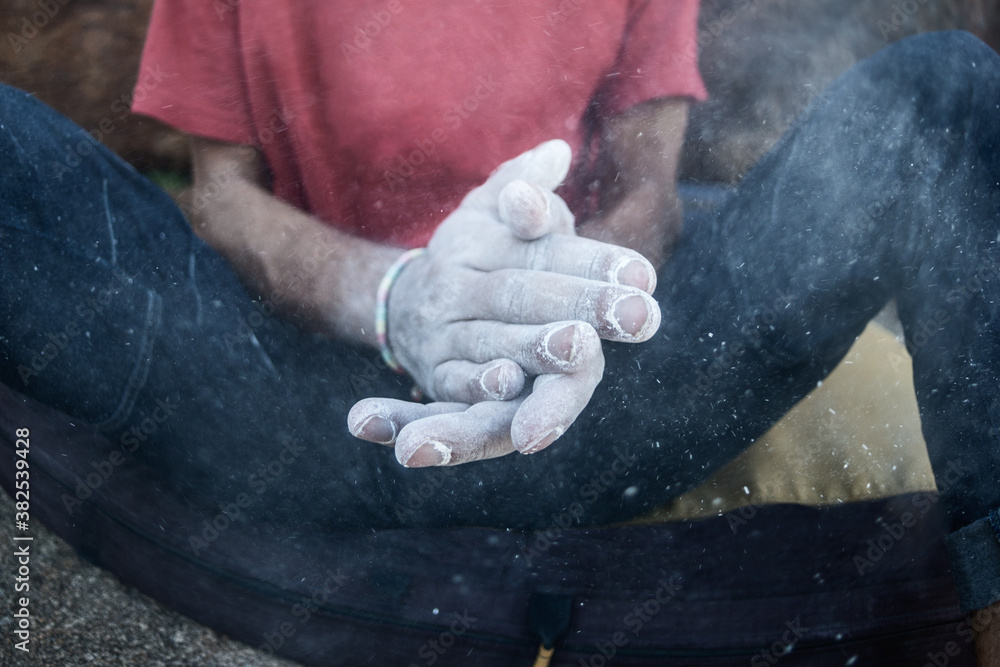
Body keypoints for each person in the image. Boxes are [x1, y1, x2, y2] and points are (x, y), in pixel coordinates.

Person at [1, 0, 998, 661]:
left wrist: (559, 293)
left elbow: (651, 190)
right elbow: (220, 194)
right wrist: (397, 298)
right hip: (302, 397)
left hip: (581, 396)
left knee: (943, 92)